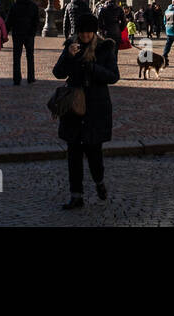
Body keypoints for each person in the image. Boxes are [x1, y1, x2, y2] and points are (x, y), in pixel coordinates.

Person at [53, 11, 120, 209]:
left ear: (94, 32)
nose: (84, 36)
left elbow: (113, 76)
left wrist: (93, 68)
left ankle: (99, 181)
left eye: (88, 33)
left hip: (95, 108)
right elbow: (58, 73)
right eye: (81, 33)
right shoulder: (70, 46)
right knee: (73, 154)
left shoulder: (104, 48)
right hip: (73, 108)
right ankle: (76, 196)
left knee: (94, 154)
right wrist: (68, 56)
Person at [6, 0, 40, 85]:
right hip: (29, 34)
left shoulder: (15, 5)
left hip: (17, 34)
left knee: (16, 57)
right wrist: (33, 32)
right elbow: (36, 21)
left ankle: (17, 79)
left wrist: (6, 32)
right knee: (30, 56)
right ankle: (31, 77)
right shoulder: (33, 5)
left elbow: (9, 20)